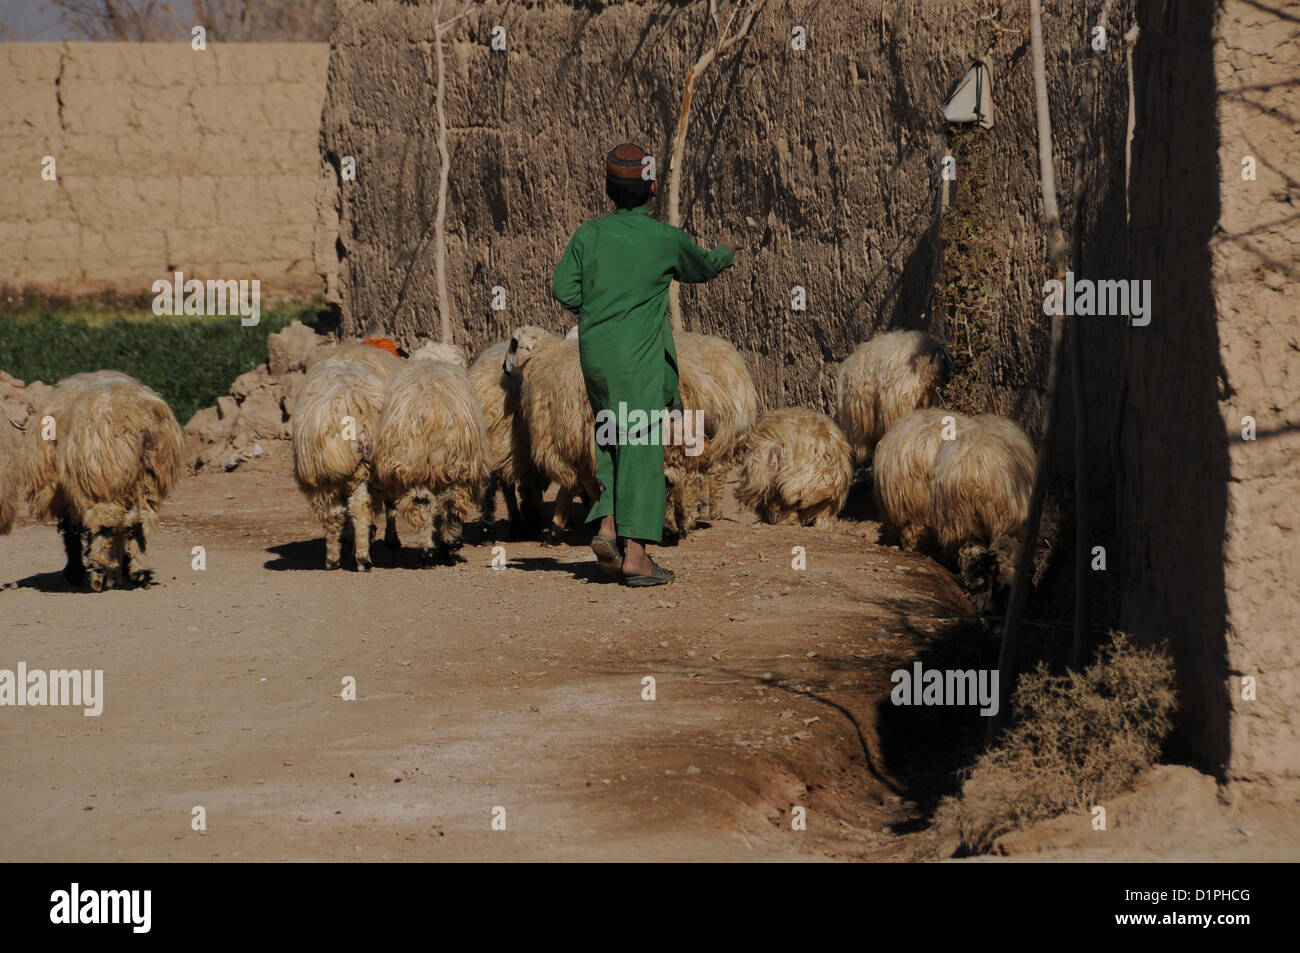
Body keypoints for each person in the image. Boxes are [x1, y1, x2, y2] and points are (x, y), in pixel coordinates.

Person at [551, 142, 737, 587]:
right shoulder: (664, 240)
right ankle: (636, 558)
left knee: (612, 439)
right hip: (639, 364)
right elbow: (703, 267)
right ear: (652, 188)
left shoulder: (588, 236)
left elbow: (563, 290)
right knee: (641, 451)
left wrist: (601, 305)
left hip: (597, 361)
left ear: (608, 189)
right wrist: (725, 252)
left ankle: (608, 528)